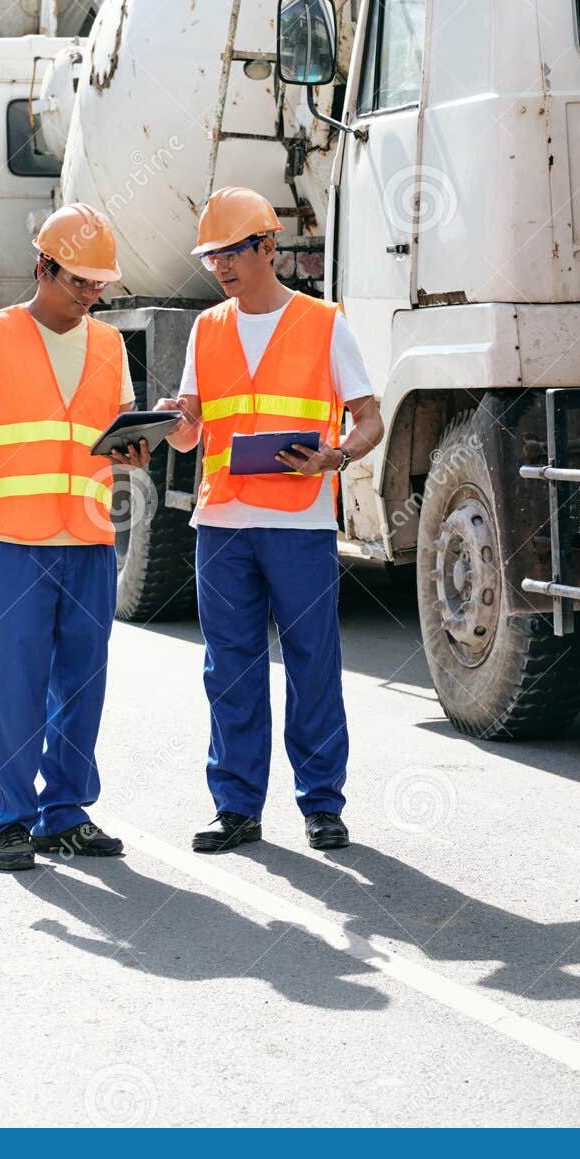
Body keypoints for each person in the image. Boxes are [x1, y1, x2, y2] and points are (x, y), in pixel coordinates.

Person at [159, 187, 384, 854]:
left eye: (232, 252)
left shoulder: (323, 323)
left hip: (300, 522)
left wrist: (334, 457)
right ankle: (235, 808)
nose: (221, 267)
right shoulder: (208, 328)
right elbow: (189, 434)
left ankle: (321, 805)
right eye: (211, 257)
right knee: (229, 668)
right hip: (223, 521)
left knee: (313, 664)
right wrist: (175, 420)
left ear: (267, 247)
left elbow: (370, 418)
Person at [0, 204, 148, 873]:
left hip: (87, 537)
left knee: (81, 685)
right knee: (14, 685)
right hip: (16, 540)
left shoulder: (110, 345)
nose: (88, 295)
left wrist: (133, 452)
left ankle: (66, 816)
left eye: (97, 285)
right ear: (42, 268)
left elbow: (115, 435)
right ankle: (10, 822)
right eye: (76, 281)